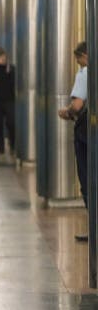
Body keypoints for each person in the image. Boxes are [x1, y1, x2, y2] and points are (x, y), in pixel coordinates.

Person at [58, 41, 88, 242]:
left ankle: (94, 230)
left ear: (84, 55)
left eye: (78, 58)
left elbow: (77, 105)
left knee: (88, 181)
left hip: (86, 133)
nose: (78, 63)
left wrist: (65, 112)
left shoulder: (85, 73)